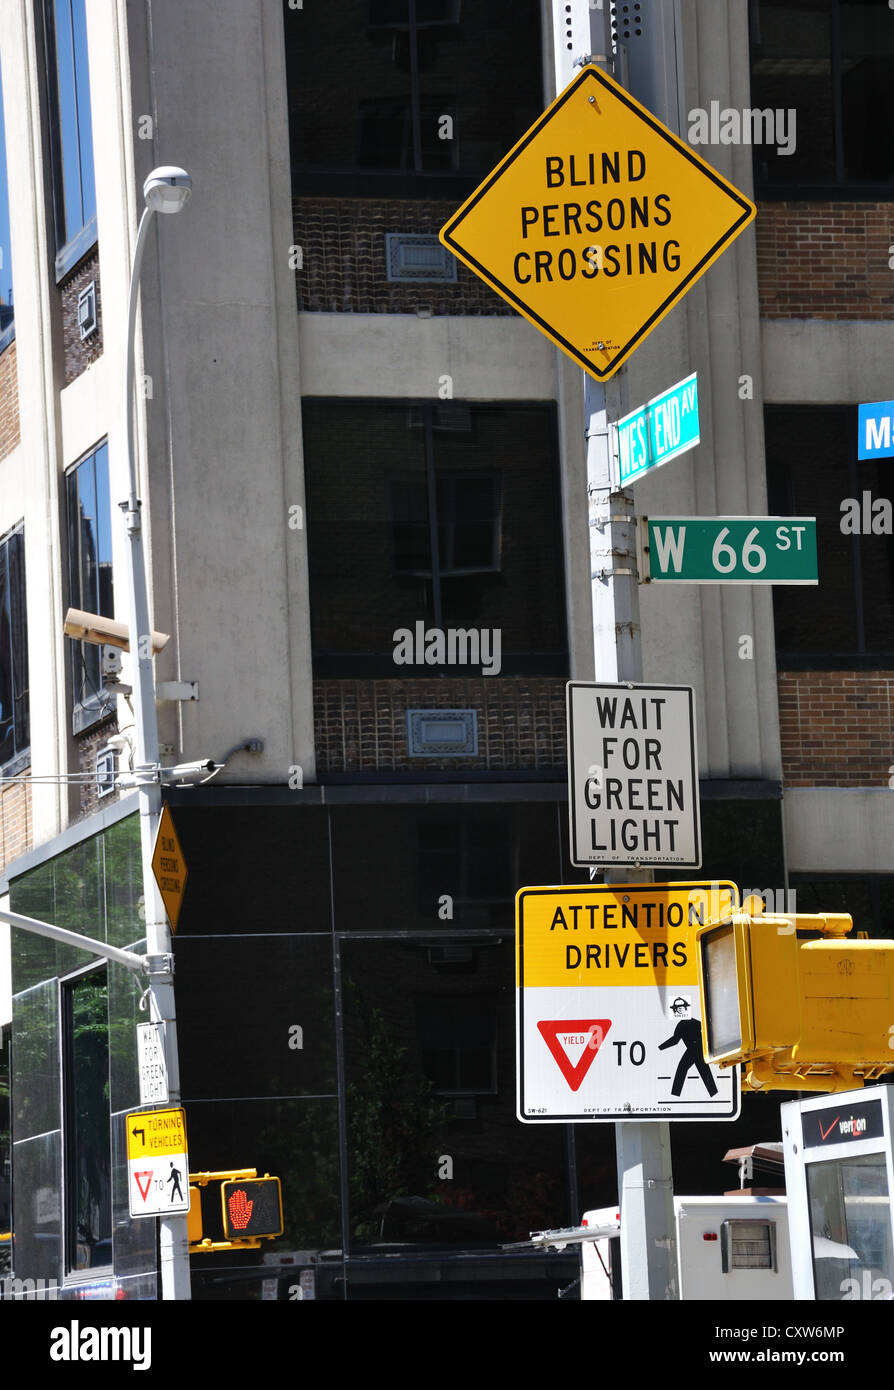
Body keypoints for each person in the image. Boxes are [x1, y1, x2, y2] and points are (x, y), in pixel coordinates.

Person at [658, 997, 717, 1097]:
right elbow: (675, 1040)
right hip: (695, 1049)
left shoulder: (694, 1023)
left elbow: (675, 1040)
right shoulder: (682, 1024)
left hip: (697, 1048)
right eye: (678, 1008)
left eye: (682, 1007)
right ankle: (713, 1093)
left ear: (686, 1008)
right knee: (701, 1069)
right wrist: (661, 1047)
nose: (680, 1010)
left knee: (684, 1068)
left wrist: (660, 1048)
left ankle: (675, 1094)